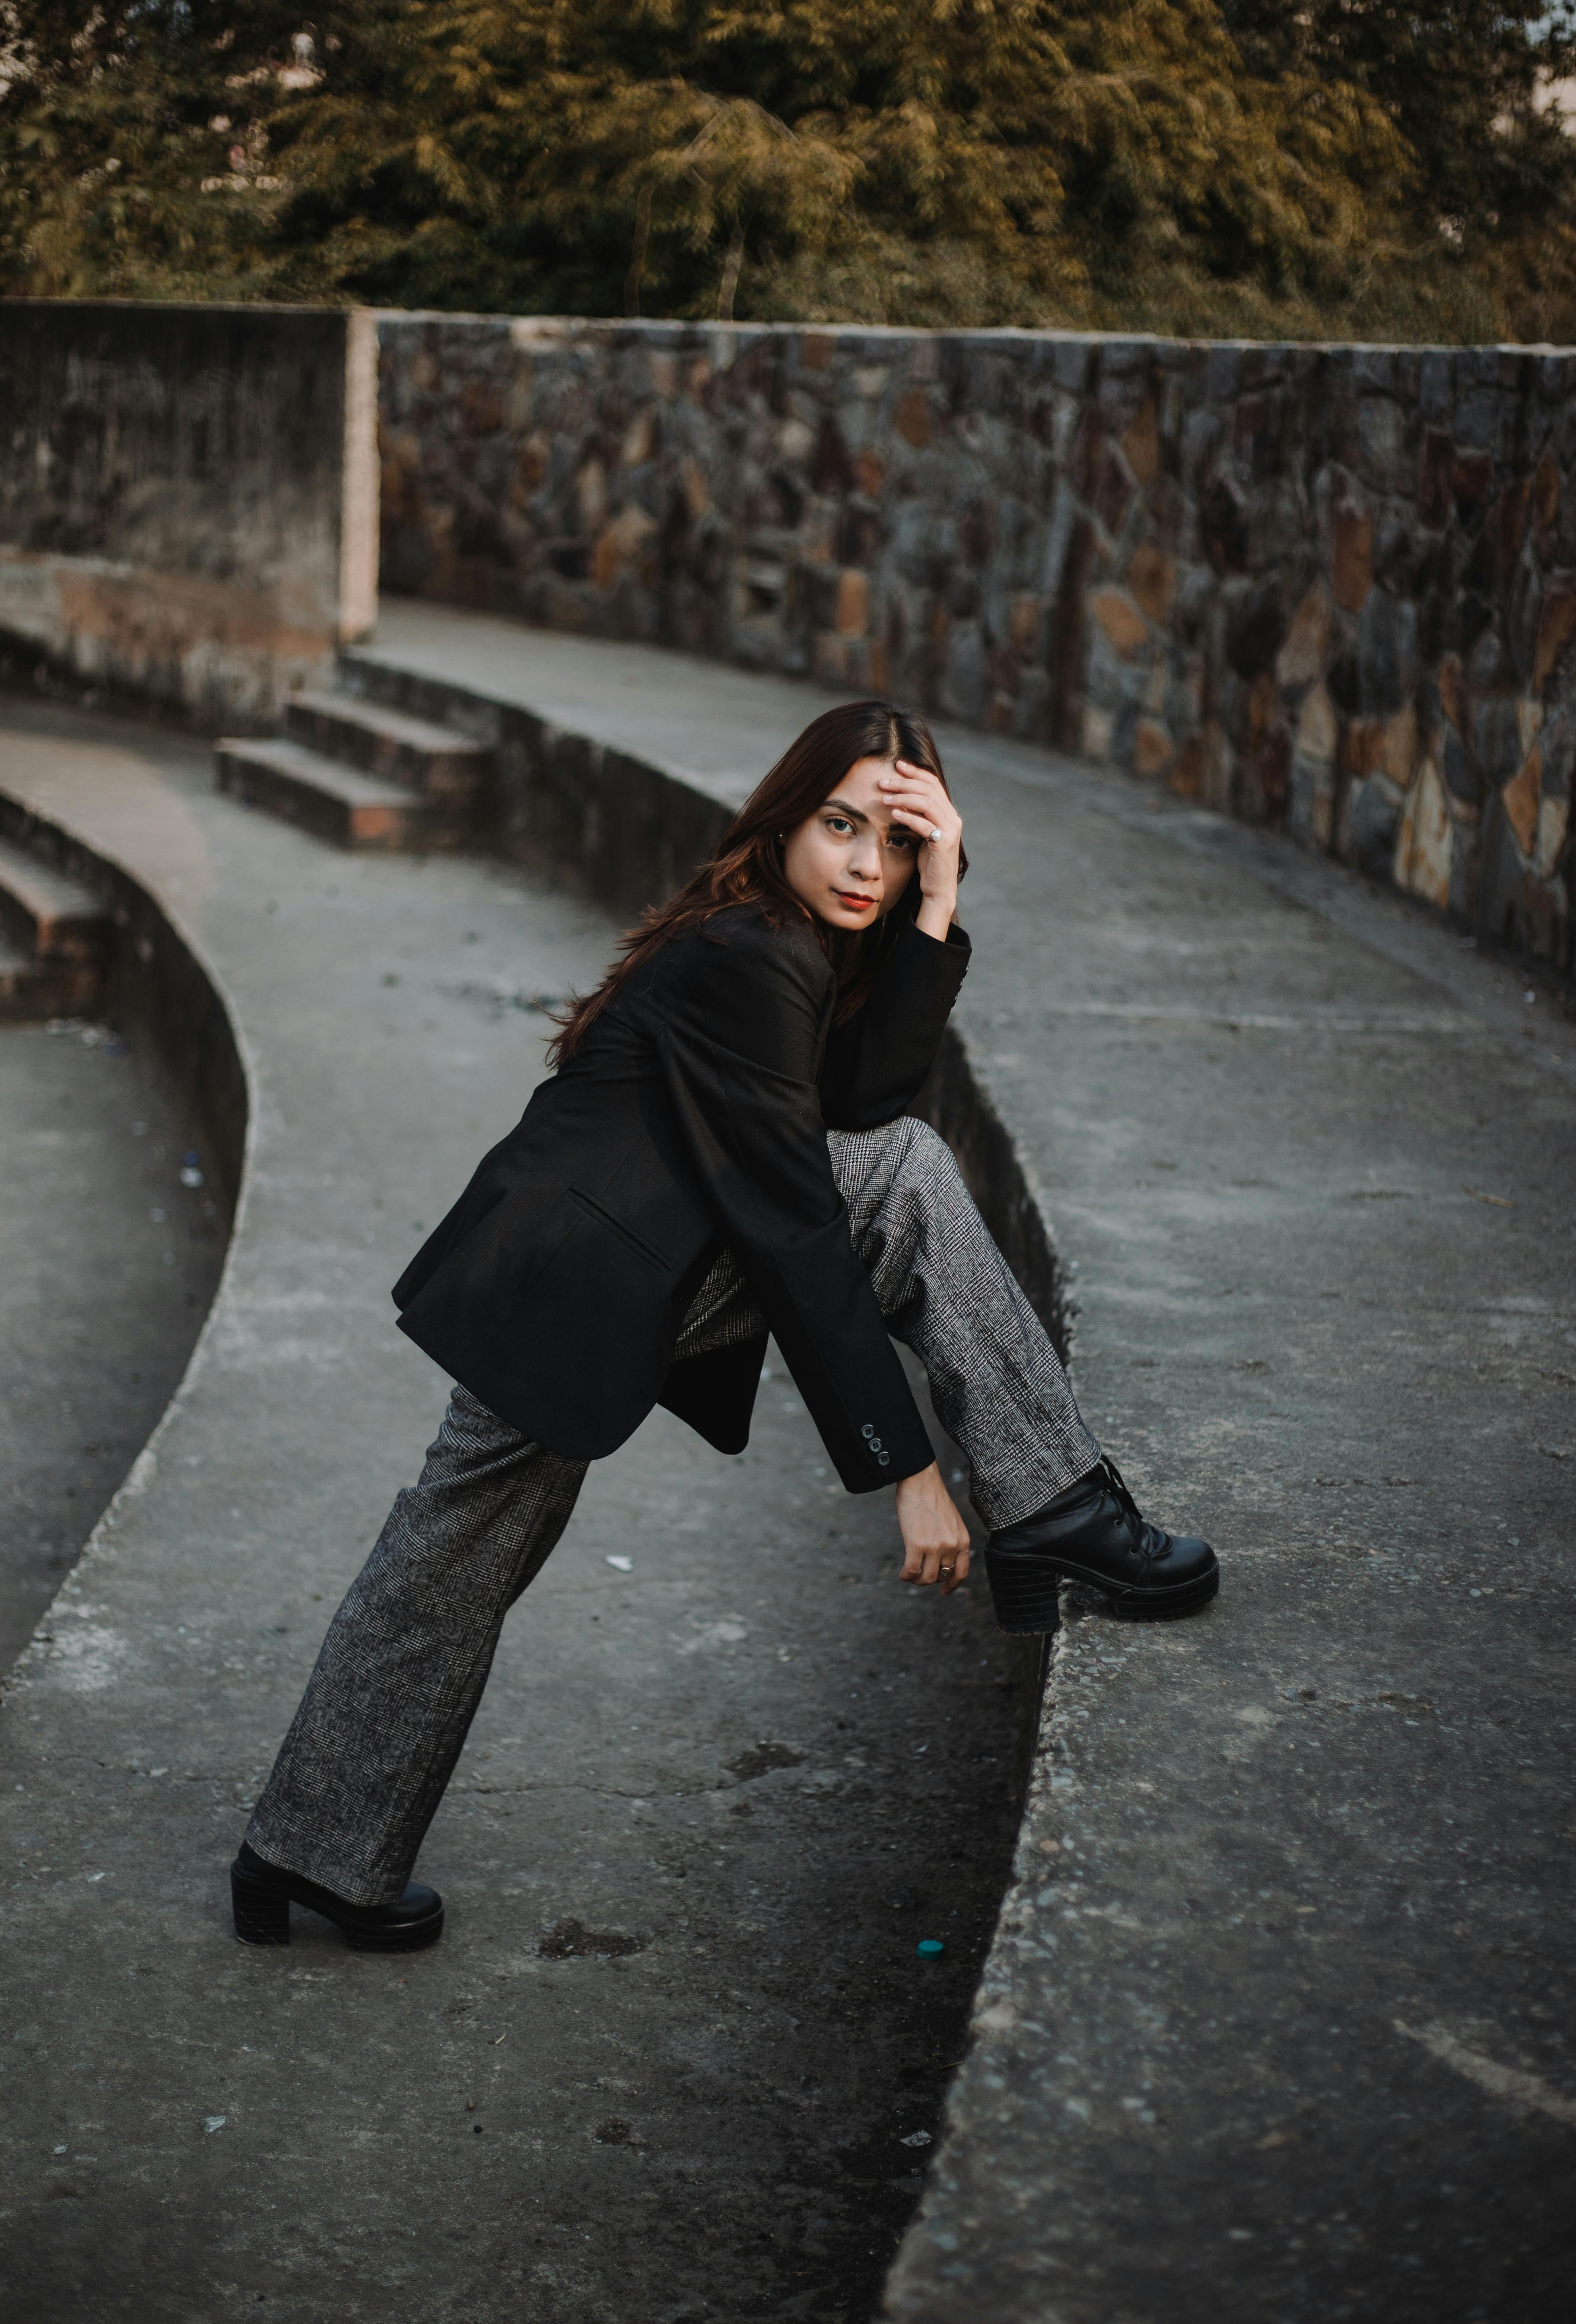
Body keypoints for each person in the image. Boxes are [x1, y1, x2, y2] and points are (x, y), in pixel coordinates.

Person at [230, 702, 1218, 1954]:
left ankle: (1051, 1505)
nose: (869, 864)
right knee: (452, 1558)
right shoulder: (753, 953)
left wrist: (938, 905)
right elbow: (798, 1220)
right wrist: (910, 1468)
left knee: (455, 1553)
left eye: (900, 843)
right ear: (787, 820)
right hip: (573, 1281)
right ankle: (301, 1852)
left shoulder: (795, 933)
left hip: (624, 1258)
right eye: (843, 828)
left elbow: (860, 1104)